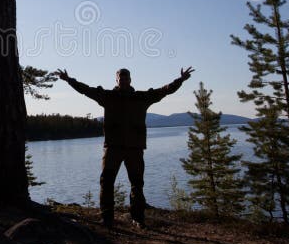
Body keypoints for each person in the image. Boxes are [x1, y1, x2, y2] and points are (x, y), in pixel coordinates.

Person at [57, 66, 194, 228]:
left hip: (134, 148)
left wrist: (181, 80)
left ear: (130, 80)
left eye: (126, 79)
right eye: (121, 79)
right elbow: (86, 90)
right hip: (113, 148)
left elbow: (164, 90)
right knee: (106, 182)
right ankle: (107, 218)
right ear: (117, 80)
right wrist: (69, 80)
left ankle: (138, 219)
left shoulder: (141, 97)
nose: (123, 81)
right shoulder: (107, 97)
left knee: (137, 184)